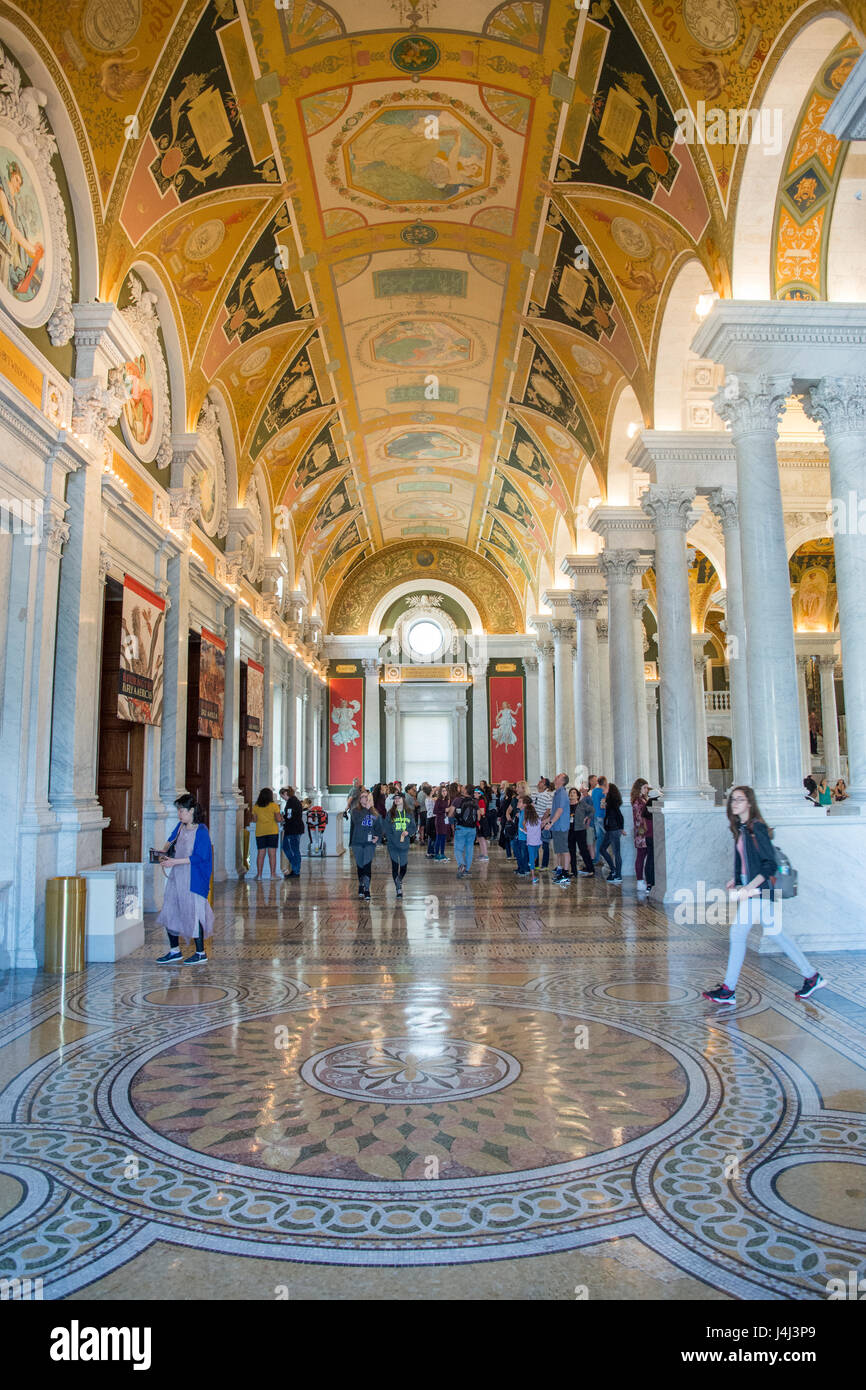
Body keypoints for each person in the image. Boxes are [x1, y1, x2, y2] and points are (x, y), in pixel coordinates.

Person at [702, 786, 826, 1006]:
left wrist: (749, 887)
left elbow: (768, 865)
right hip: (755, 890)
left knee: (738, 934)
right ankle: (812, 976)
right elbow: (745, 861)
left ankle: (729, 989)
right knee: (777, 934)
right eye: (733, 800)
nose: (735, 803)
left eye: (740, 799)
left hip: (759, 891)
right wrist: (737, 881)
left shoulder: (756, 827)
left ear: (749, 802)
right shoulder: (742, 828)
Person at [156, 794, 214, 965]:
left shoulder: (201, 831)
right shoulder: (180, 827)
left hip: (193, 878)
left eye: (182, 810)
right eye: (178, 810)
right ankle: (174, 950)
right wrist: (163, 854)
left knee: (193, 912)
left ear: (191, 810)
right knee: (171, 910)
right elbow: (169, 842)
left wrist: (175, 861)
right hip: (178, 877)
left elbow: (200, 857)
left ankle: (200, 952)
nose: (179, 814)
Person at [349, 789, 384, 901]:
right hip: (358, 842)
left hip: (369, 843)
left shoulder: (375, 813)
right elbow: (358, 822)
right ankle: (361, 884)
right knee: (360, 866)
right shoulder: (355, 811)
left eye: (367, 797)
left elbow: (379, 827)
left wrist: (377, 837)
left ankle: (367, 889)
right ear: (360, 800)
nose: (365, 798)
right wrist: (367, 810)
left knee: (367, 865)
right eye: (363, 796)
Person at [384, 792, 412, 897]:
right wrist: (392, 840)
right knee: (395, 866)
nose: (396, 800)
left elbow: (413, 826)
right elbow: (387, 829)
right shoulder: (390, 813)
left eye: (398, 798)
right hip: (393, 845)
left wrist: (408, 832)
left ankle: (399, 879)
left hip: (404, 845)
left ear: (403, 799)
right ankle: (398, 888)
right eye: (395, 799)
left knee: (404, 867)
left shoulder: (409, 812)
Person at [598, 782, 624, 885]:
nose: (603, 789)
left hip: (614, 829)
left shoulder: (612, 801)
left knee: (616, 852)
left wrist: (621, 828)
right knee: (602, 849)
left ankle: (618, 874)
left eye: (605, 787)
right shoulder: (608, 800)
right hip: (610, 829)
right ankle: (613, 869)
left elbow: (619, 815)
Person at [449, 784, 478, 878]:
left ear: (465, 791)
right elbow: (479, 815)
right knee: (469, 849)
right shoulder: (474, 801)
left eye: (464, 787)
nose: (462, 788)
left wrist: (452, 821)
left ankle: (461, 865)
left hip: (461, 827)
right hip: (472, 829)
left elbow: (450, 814)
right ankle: (467, 870)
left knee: (458, 848)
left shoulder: (458, 800)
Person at [251, 787, 281, 879]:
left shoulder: (256, 806)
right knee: (272, 854)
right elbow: (278, 819)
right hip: (272, 831)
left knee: (260, 854)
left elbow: (254, 820)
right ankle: (272, 875)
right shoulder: (274, 806)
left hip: (260, 832)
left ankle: (259, 875)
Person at [548, 771, 571, 887]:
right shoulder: (557, 793)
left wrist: (551, 822)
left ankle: (566, 874)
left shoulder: (562, 793)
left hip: (561, 826)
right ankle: (561, 871)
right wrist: (546, 821)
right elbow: (554, 810)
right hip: (557, 826)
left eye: (558, 777)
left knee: (564, 849)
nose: (555, 777)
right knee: (559, 851)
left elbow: (560, 810)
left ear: (562, 781)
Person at [569, 785, 595, 876]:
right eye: (571, 793)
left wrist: (587, 818)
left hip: (580, 829)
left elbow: (592, 810)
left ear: (577, 795)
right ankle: (573, 870)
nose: (572, 795)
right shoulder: (567, 806)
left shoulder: (582, 804)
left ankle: (590, 869)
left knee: (583, 849)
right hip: (570, 830)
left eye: (574, 793)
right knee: (571, 851)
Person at [280, 785, 304, 878]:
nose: (283, 799)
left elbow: (289, 816)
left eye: (282, 796)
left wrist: (283, 818)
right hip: (295, 828)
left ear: (286, 793)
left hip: (292, 829)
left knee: (291, 849)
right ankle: (295, 868)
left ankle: (295, 869)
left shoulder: (291, 802)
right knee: (291, 848)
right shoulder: (295, 800)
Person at [631, 779, 651, 892]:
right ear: (639, 788)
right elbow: (639, 817)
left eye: (647, 788)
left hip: (645, 832)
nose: (646, 790)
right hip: (642, 832)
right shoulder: (637, 801)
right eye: (644, 788)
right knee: (641, 856)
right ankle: (639, 880)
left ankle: (646, 880)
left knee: (645, 856)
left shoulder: (643, 799)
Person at [519, 795, 543, 882]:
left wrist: (522, 829)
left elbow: (526, 832)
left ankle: (532, 869)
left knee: (533, 857)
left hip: (530, 843)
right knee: (535, 856)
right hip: (538, 842)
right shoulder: (538, 820)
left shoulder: (527, 822)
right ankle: (533, 875)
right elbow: (540, 828)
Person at [532, 777, 554, 870]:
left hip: (543, 823)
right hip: (534, 822)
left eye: (541, 782)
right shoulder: (533, 794)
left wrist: (542, 822)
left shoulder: (548, 796)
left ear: (545, 786)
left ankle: (544, 865)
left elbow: (548, 810)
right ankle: (535, 864)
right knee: (535, 844)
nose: (538, 783)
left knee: (545, 844)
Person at [590, 775, 607, 864]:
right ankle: (597, 858)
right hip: (601, 815)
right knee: (601, 838)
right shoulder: (603, 792)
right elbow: (603, 804)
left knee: (598, 837)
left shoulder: (594, 791)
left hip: (595, 815)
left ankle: (597, 857)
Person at [433, 786, 449, 861]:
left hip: (445, 820)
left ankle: (442, 853)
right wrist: (444, 810)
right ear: (440, 792)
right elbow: (435, 811)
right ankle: (436, 854)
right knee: (439, 837)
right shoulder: (438, 800)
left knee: (443, 838)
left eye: (445, 791)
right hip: (439, 820)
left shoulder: (446, 800)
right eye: (443, 791)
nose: (444, 792)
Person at [474, 785, 490, 861]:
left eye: (476, 793)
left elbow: (482, 812)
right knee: (479, 838)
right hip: (479, 821)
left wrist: (476, 810)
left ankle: (486, 855)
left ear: (480, 794)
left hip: (481, 821)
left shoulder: (481, 801)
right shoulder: (477, 801)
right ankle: (483, 853)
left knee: (482, 838)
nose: (474, 794)